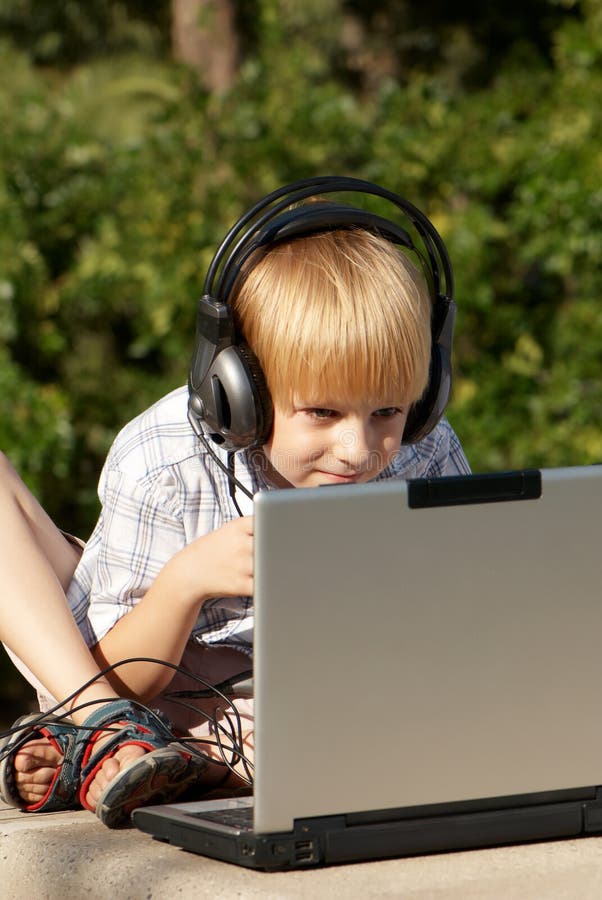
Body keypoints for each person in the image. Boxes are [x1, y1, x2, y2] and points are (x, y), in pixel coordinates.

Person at [0, 177, 470, 828]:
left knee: (357, 736)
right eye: (322, 412)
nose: (358, 450)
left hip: (297, 699)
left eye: (388, 412)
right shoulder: (165, 460)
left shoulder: (425, 449)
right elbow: (115, 671)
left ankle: (152, 757)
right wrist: (185, 582)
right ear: (240, 393)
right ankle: (101, 730)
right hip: (121, 674)